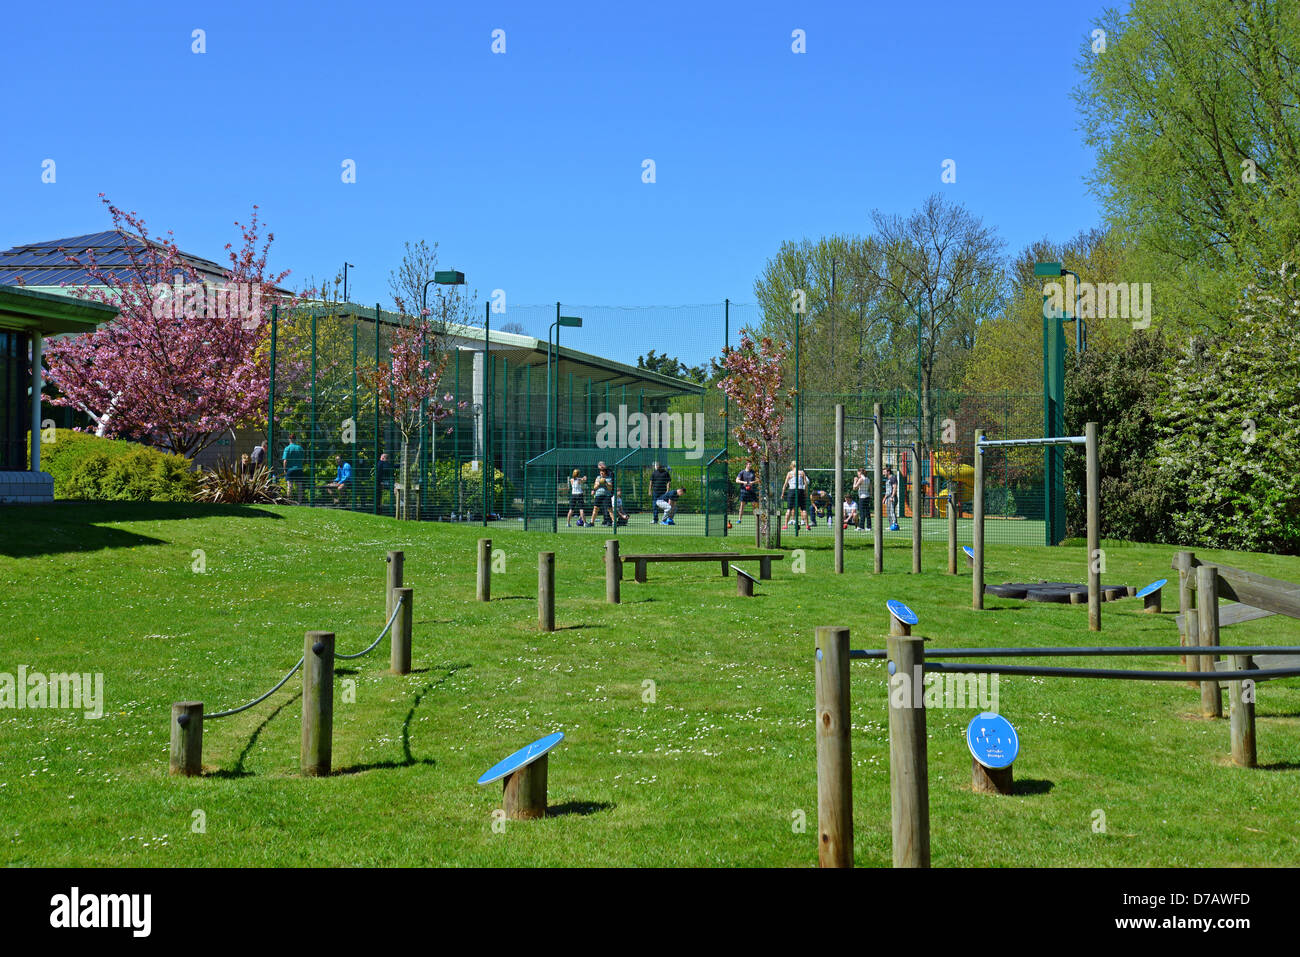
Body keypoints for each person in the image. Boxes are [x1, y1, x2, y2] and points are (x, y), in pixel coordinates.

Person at [781, 461, 811, 531]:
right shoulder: (802, 473)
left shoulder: (789, 473)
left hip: (792, 491)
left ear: (792, 466)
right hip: (800, 490)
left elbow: (785, 484)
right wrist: (806, 492)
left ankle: (785, 525)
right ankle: (807, 526)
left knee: (789, 509)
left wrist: (782, 493)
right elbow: (805, 484)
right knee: (803, 509)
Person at [282, 433, 305, 502]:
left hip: (290, 469)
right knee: (299, 487)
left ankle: (289, 501)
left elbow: (285, 461)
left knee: (290, 486)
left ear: (289, 439)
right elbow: (302, 459)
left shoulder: (287, 448)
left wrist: (284, 469)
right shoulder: (300, 448)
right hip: (299, 469)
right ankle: (300, 502)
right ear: (295, 439)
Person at [884, 465, 900, 531]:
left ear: (888, 472)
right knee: (888, 512)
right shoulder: (888, 479)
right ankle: (891, 525)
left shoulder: (893, 478)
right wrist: (884, 498)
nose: (883, 473)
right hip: (888, 497)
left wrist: (892, 496)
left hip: (892, 497)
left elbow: (895, 487)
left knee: (892, 511)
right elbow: (887, 490)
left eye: (884, 472)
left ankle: (895, 524)